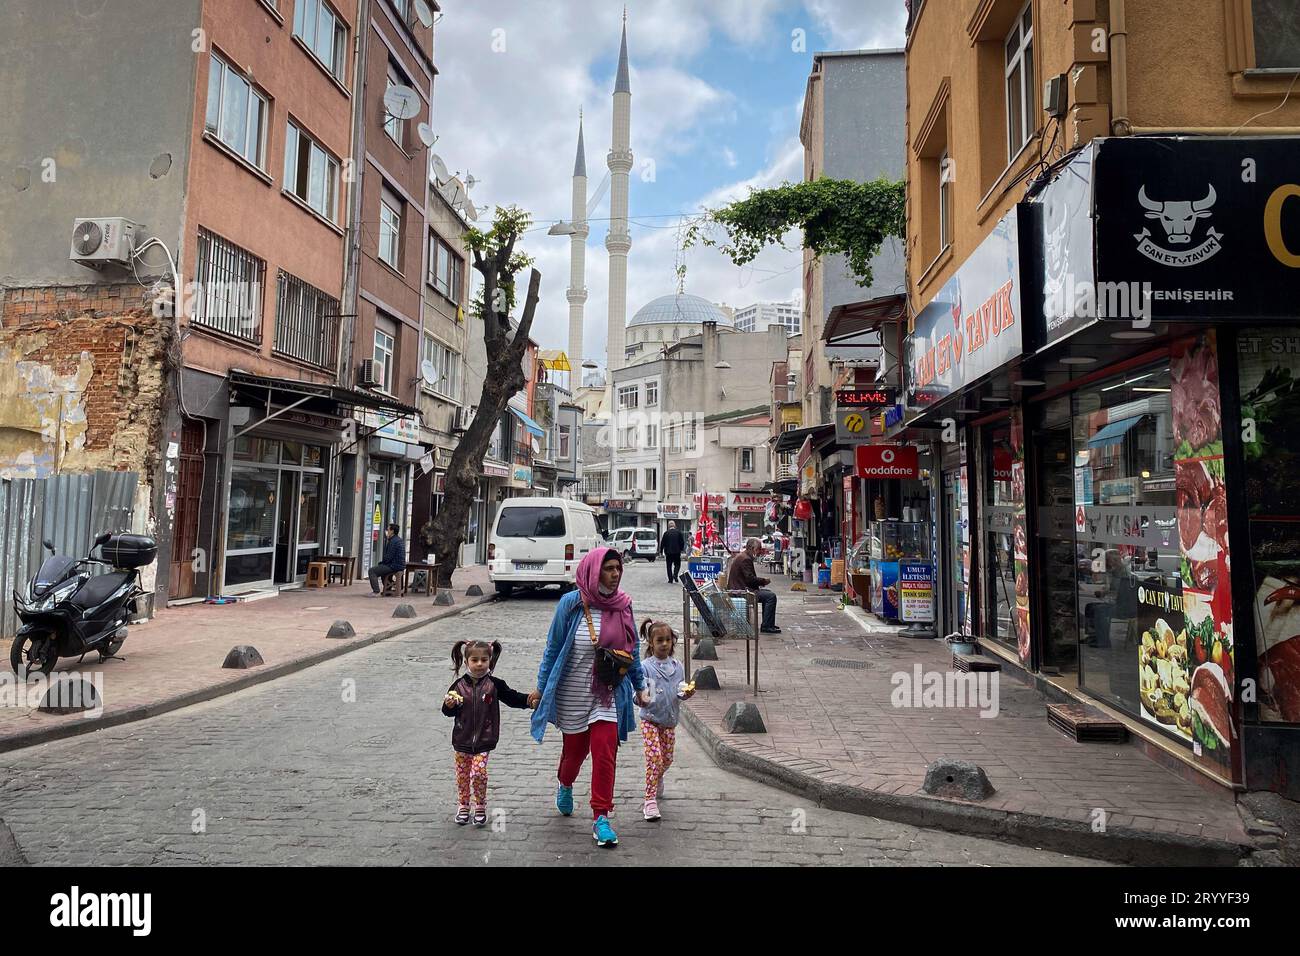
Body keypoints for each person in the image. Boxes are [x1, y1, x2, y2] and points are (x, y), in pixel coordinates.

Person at [530, 547, 648, 847]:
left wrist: (640, 686)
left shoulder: (623, 606)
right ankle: (565, 782)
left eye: (617, 568)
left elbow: (630, 651)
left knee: (605, 751)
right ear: (594, 571)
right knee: (575, 755)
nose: (615, 574)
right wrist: (542, 689)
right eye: (608, 568)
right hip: (572, 692)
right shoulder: (570, 604)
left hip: (607, 694)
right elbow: (553, 648)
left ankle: (601, 817)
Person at [441, 639, 536, 826]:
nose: (479, 664)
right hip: (461, 738)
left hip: (485, 738)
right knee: (462, 775)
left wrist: (529, 701)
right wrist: (449, 705)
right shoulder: (458, 686)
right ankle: (463, 805)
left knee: (478, 773)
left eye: (483, 660)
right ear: (466, 661)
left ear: (490, 661)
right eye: (474, 660)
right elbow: (448, 712)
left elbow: (512, 697)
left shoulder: (495, 684)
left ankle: (480, 805)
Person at [637, 619, 693, 821]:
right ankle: (649, 800)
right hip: (650, 720)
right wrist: (641, 698)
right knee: (654, 758)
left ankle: (659, 776)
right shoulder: (645, 667)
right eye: (659, 640)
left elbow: (679, 689)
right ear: (651, 643)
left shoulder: (677, 666)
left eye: (668, 640)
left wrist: (686, 693)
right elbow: (643, 693)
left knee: (667, 760)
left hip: (669, 721)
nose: (664, 644)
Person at [727, 537, 781, 634]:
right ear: (751, 548)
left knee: (768, 594)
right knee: (770, 597)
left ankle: (767, 623)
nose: (760, 552)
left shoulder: (744, 557)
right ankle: (767, 626)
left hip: (741, 588)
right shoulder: (745, 559)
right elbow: (750, 579)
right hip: (741, 591)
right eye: (758, 549)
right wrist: (763, 581)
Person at [368, 523, 406, 596]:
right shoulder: (399, 540)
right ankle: (387, 590)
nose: (387, 531)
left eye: (388, 529)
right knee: (383, 570)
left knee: (372, 571)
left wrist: (382, 563)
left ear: (392, 531)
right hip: (399, 565)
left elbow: (388, 557)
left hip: (394, 565)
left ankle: (376, 591)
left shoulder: (393, 542)